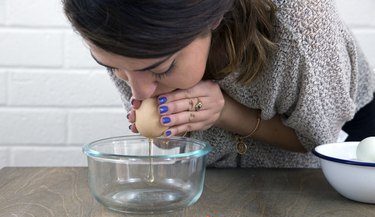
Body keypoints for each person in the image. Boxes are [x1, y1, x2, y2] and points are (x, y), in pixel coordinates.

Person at [63, 0, 375, 168]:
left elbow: (321, 144)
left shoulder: (300, 26)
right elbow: (173, 143)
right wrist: (170, 131)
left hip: (349, 135)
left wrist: (227, 113)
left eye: (162, 69)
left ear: (212, 20)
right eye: (113, 67)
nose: (138, 92)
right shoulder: (117, 30)